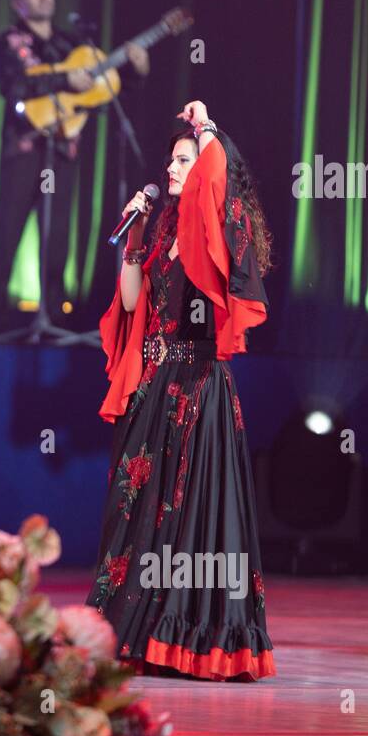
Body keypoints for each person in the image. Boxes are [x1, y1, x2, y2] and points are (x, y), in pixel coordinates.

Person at [87, 100, 276, 681]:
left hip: (198, 388)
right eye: (170, 160)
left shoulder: (211, 231)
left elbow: (223, 185)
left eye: (183, 159)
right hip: (154, 386)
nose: (171, 169)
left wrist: (211, 130)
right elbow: (127, 302)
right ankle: (131, 629)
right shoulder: (165, 227)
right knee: (134, 508)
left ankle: (187, 638)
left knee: (194, 519)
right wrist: (134, 236)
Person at [0, 0, 149, 331]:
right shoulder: (8, 42)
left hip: (63, 153)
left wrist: (134, 72)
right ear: (17, 2)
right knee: (7, 233)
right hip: (23, 151)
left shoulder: (71, 44)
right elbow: (13, 86)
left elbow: (102, 92)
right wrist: (62, 80)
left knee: (57, 236)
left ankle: (55, 320)